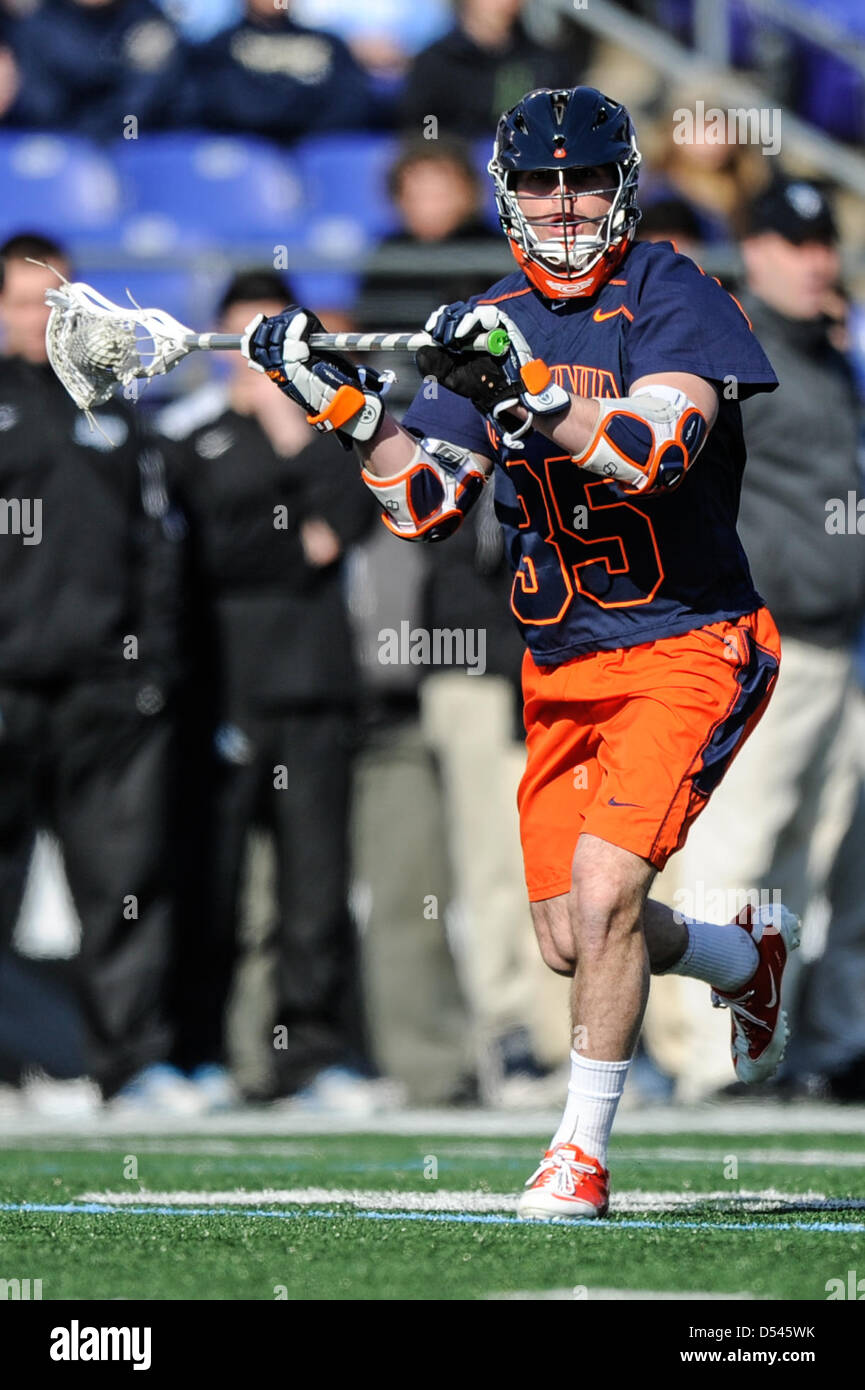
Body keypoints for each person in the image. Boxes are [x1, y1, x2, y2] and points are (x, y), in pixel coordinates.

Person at [240, 84, 798, 1219]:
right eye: (538, 182)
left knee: (600, 900)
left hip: (689, 640)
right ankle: (743, 963)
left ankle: (577, 1158)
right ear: (506, 193)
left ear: (621, 188)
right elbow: (428, 502)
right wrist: (352, 416)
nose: (560, 202)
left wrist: (528, 393)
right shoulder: (488, 314)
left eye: (582, 179)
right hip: (563, 662)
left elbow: (652, 452)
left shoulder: (673, 291)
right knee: (568, 935)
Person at [658, 179, 865, 1101]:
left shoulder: (828, 351)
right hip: (764, 635)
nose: (813, 257)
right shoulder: (729, 354)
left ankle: (788, 1052)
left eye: (820, 240)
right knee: (736, 852)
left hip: (842, 641)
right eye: (789, 241)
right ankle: (710, 1064)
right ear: (753, 249)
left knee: (813, 863)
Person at [165, 269, 386, 1109]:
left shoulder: (328, 441)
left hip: (317, 686)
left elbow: (350, 525)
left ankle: (312, 1055)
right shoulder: (192, 442)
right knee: (210, 883)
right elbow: (219, 557)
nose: (260, 365)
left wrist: (293, 450)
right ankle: (197, 1053)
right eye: (246, 343)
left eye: (277, 347)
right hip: (223, 688)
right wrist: (292, 541)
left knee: (314, 889)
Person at [0, 233, 189, 1109]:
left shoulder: (116, 411)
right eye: (20, 302)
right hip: (6, 688)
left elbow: (158, 551)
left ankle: (131, 1063)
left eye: (51, 305)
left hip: (105, 691)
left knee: (121, 883)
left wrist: (150, 668)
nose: (38, 320)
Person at [187, 0, 377, 141]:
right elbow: (234, 108)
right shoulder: (220, 46)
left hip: (316, 148)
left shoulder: (330, 44)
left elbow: (350, 103)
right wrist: (302, 98)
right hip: (245, 153)